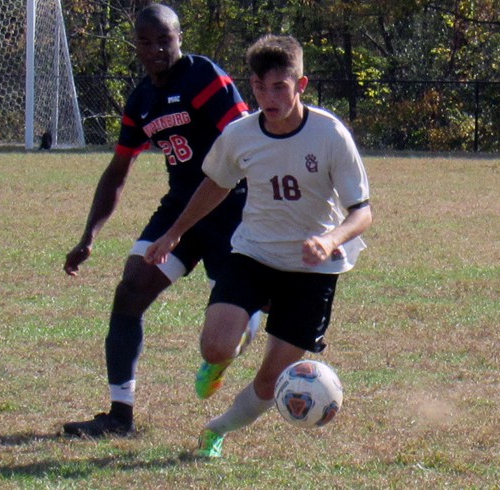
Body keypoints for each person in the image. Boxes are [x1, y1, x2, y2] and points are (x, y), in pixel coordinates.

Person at [145, 34, 372, 458]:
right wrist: (174, 232)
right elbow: (215, 184)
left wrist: (329, 239)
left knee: (271, 380)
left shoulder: (329, 134)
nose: (268, 98)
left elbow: (362, 212)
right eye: (259, 87)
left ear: (300, 85)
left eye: (279, 87)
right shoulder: (241, 134)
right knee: (214, 345)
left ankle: (216, 430)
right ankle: (220, 360)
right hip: (254, 254)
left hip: (313, 270)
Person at [61, 4, 258, 438]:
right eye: (145, 42)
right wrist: (89, 235)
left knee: (226, 332)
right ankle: (119, 416)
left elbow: (246, 140)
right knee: (130, 290)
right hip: (180, 210)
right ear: (136, 45)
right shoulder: (141, 101)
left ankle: (236, 338)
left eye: (164, 40)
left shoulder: (202, 77)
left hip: (230, 207)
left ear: (179, 38)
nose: (155, 50)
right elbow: (118, 170)